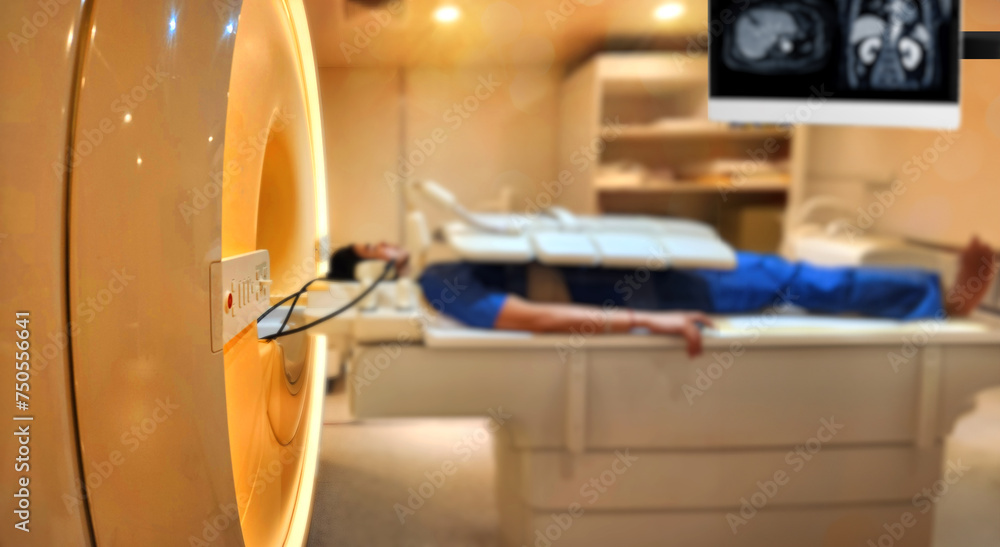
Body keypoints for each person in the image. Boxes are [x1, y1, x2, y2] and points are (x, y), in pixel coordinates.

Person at [330, 238, 996, 357]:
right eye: (373, 249)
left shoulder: (447, 255)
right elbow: (535, 317)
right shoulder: (439, 283)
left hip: (650, 265)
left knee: (784, 275)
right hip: (658, 289)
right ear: (372, 273)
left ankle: (931, 296)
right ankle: (944, 301)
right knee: (793, 279)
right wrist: (654, 321)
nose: (387, 243)